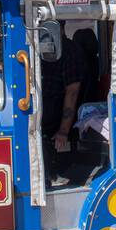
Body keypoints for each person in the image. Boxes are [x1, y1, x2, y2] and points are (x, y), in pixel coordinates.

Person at [40, 33, 82, 187]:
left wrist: (63, 131)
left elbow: (72, 91)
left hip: (54, 108)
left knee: (38, 127)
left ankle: (50, 176)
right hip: (41, 103)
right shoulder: (38, 44)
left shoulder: (68, 50)